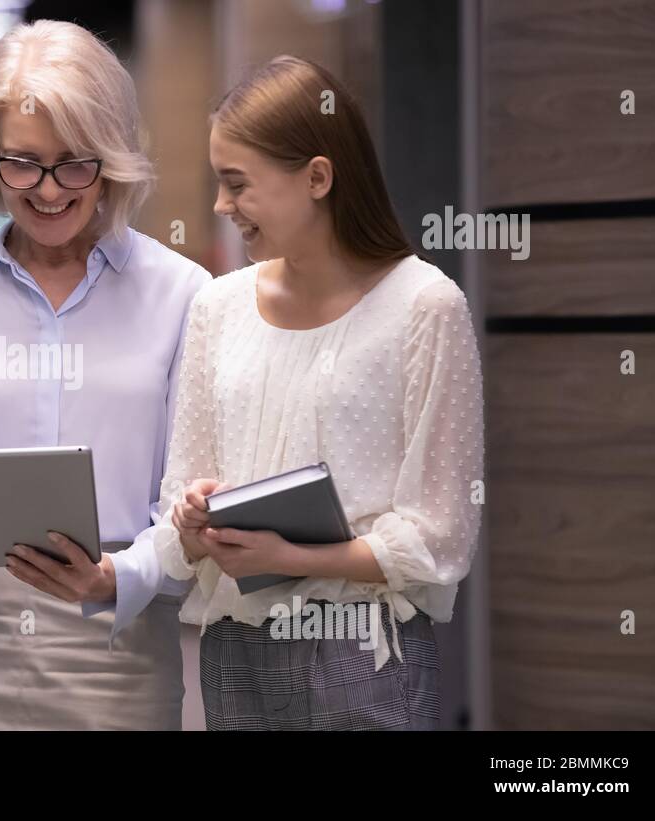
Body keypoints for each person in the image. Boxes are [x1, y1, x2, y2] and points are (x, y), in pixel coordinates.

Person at [0, 20, 210, 729]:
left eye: (73, 163)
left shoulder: (184, 295)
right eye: (22, 163)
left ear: (111, 157)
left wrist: (121, 576)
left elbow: (188, 506)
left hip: (116, 645)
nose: (48, 190)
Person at [159, 56, 484, 730]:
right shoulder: (216, 308)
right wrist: (192, 519)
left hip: (367, 651)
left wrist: (293, 558)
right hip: (236, 651)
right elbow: (180, 497)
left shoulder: (425, 306)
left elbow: (441, 535)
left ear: (317, 177)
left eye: (236, 184)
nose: (222, 206)